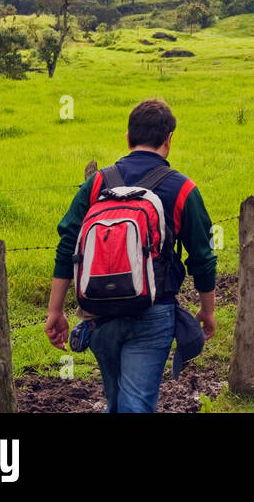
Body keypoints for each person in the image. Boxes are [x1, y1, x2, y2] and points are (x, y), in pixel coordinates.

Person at [46, 98, 217, 413]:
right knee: (135, 404)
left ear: (128, 138)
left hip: (98, 314)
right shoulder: (182, 189)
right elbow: (202, 258)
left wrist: (55, 310)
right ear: (169, 140)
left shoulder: (97, 182)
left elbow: (68, 242)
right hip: (154, 312)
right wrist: (207, 311)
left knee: (116, 402)